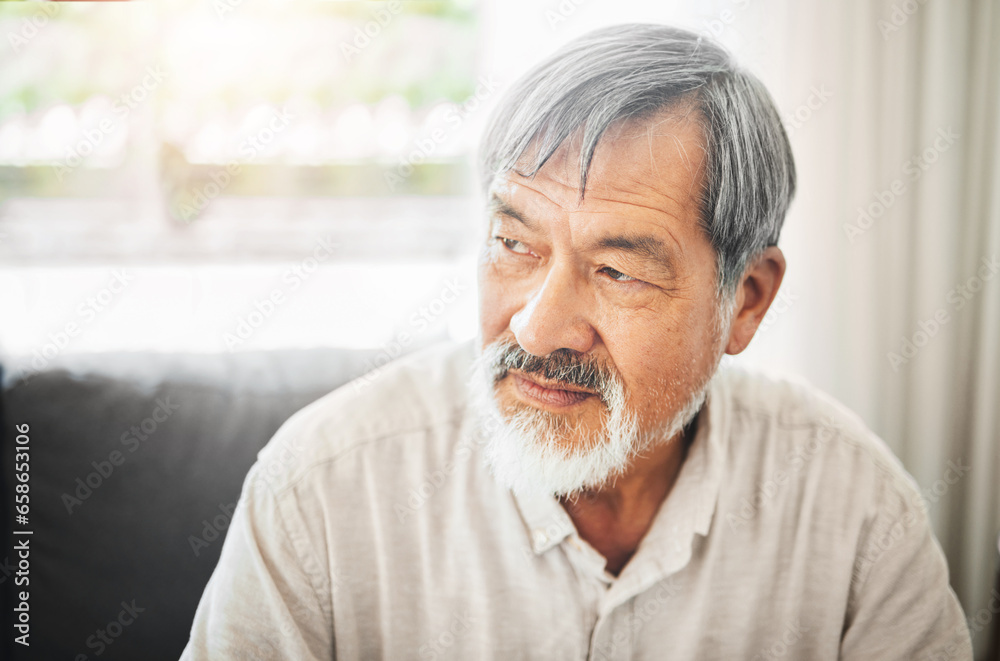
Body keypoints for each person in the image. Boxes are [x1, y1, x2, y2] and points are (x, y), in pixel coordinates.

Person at [181, 24, 973, 660]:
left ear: (747, 300)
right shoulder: (318, 493)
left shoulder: (855, 510)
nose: (537, 327)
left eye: (617, 270)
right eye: (513, 243)